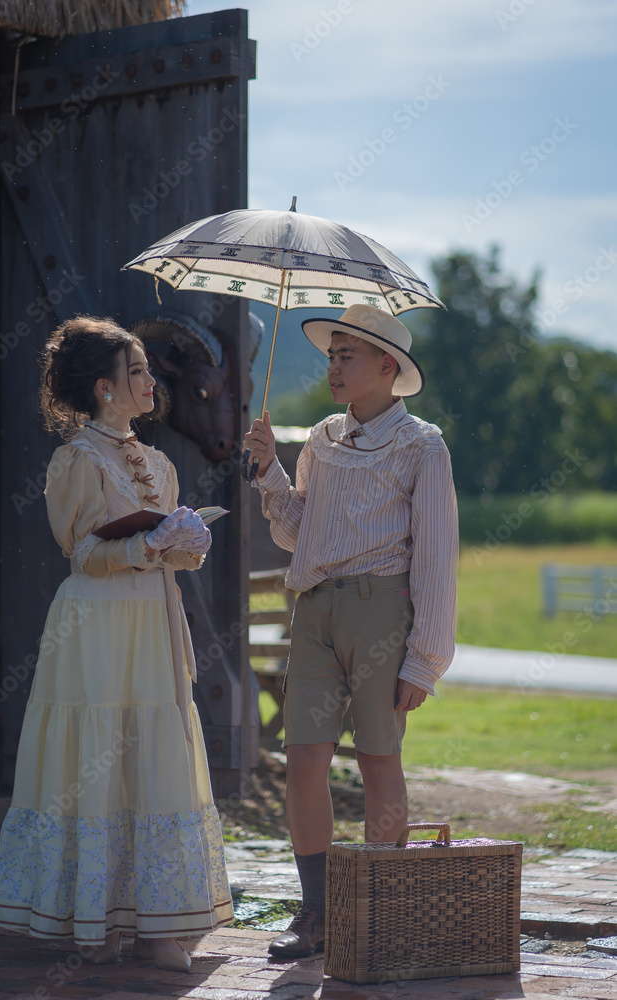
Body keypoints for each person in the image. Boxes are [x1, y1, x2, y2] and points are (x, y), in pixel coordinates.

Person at [0, 315, 233, 971]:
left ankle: (157, 925)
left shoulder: (158, 463)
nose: (150, 381)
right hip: (95, 625)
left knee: (152, 752)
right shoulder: (76, 459)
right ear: (102, 388)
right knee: (98, 750)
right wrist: (147, 542)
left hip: (151, 622)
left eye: (147, 371)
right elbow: (84, 552)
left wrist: (184, 544)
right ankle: (92, 921)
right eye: (137, 372)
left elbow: (164, 554)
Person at [243, 303, 458, 960]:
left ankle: (381, 912)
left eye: (346, 356)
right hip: (313, 611)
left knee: (375, 758)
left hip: (381, 614)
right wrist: (268, 472)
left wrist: (424, 660)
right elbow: (295, 532)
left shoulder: (421, 446)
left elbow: (435, 557)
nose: (333, 367)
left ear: (387, 367)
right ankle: (315, 914)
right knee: (304, 758)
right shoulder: (319, 440)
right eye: (330, 355)